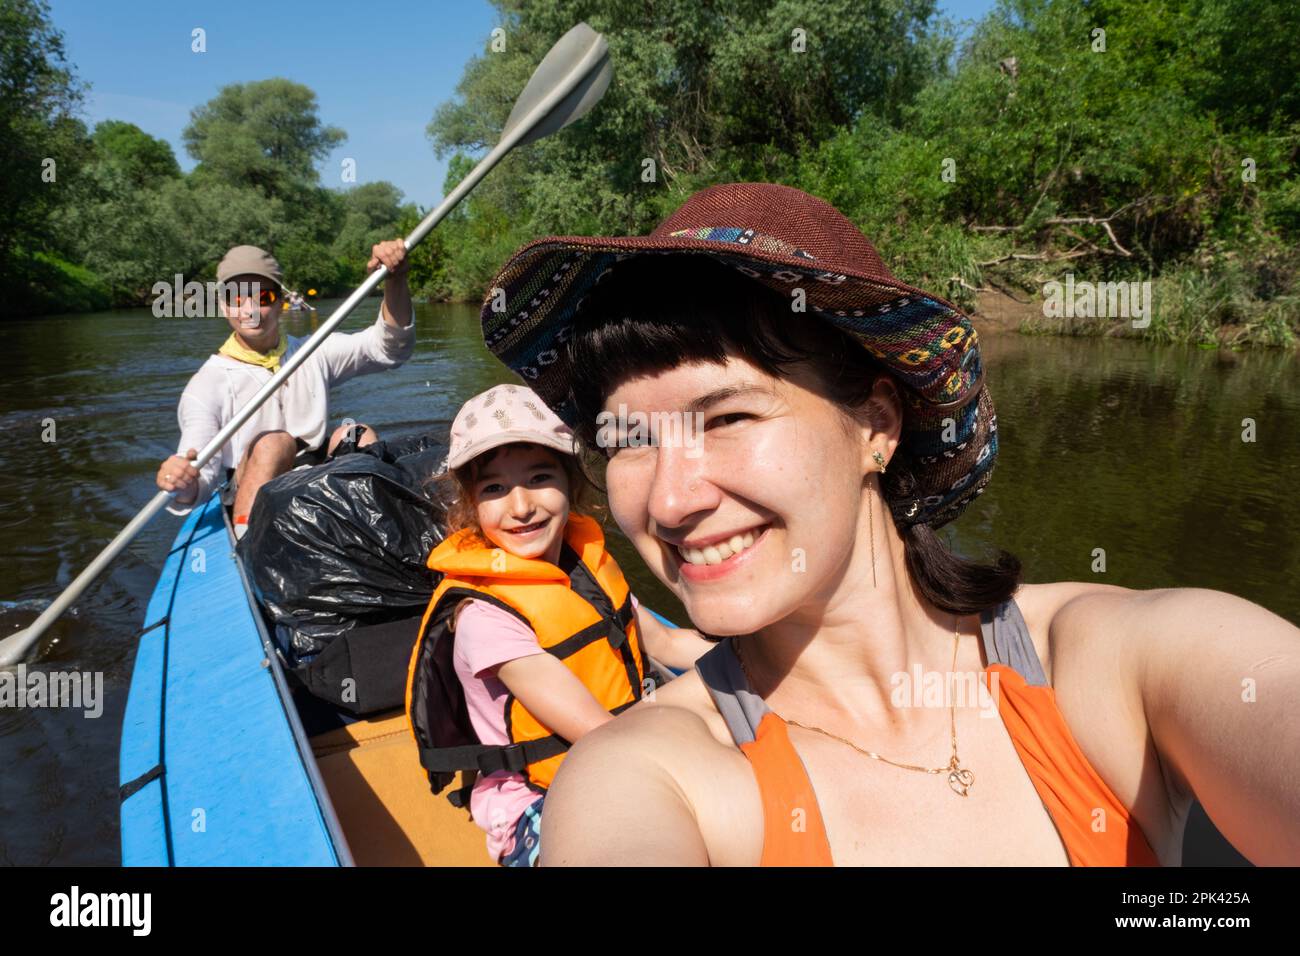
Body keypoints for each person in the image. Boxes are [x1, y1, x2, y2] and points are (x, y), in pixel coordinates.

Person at [473, 182, 1300, 866]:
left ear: (875, 425)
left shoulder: (1125, 662)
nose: (667, 502)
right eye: (629, 441)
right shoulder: (647, 773)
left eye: (724, 419)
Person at [406, 384, 714, 867]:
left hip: (624, 749)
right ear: (471, 505)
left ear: (572, 484)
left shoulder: (581, 570)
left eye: (540, 476)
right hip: (538, 801)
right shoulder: (484, 618)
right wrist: (710, 705)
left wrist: (757, 660)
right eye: (494, 488)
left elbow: (668, 641)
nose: (522, 506)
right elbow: (598, 733)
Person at [155, 241, 414, 537]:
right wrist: (183, 482)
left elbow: (391, 349)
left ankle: (375, 534)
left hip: (315, 475)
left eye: (262, 297)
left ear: (280, 303)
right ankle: (248, 544)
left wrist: (395, 281)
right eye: (235, 298)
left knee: (356, 432)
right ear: (223, 305)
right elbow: (200, 482)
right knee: (274, 443)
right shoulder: (206, 385)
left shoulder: (312, 351)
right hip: (252, 490)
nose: (250, 310)